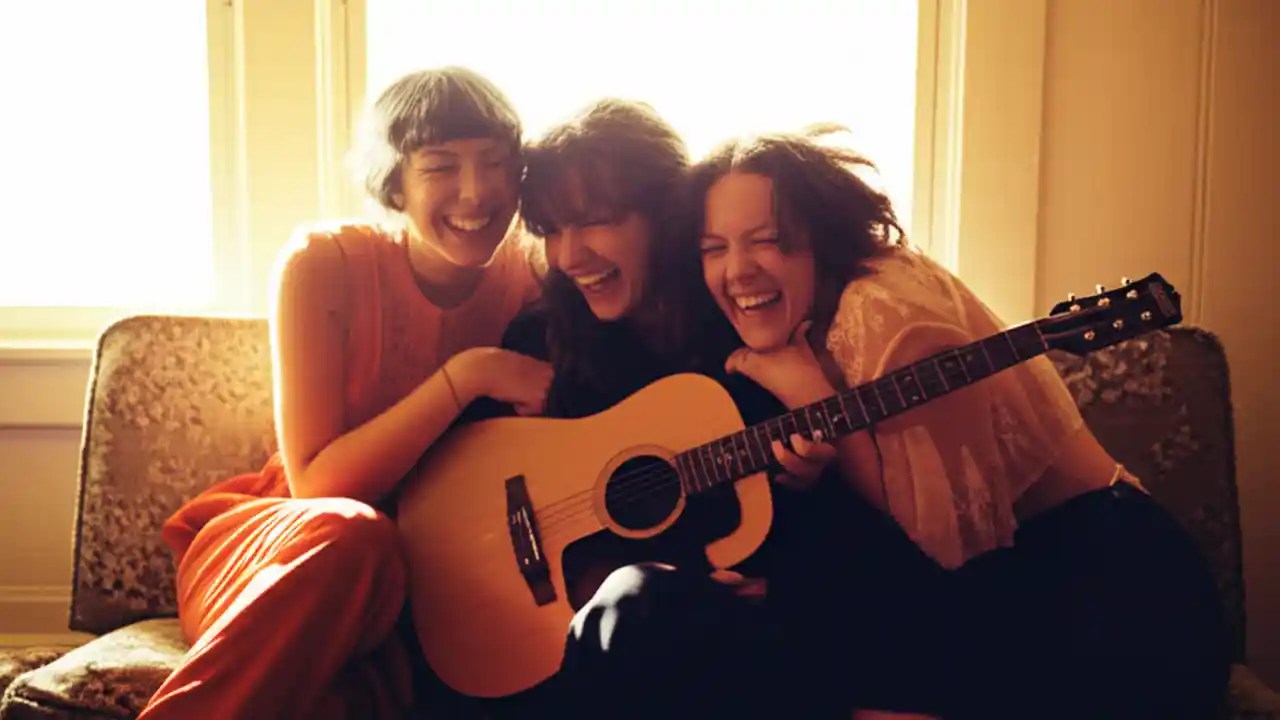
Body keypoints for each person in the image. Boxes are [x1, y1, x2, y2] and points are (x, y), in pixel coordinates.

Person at [683, 127, 1231, 719]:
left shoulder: (881, 307)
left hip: (1113, 591)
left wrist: (807, 393)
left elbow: (938, 548)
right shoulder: (799, 323)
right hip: (1014, 591)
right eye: (714, 248)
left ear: (820, 238)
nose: (737, 271)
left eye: (766, 241)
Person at [138, 66, 551, 719]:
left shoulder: (531, 277)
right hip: (287, 553)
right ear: (394, 181)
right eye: (440, 167)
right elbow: (317, 486)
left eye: (494, 163)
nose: (474, 192)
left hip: (421, 583)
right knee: (356, 536)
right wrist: (468, 376)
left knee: (356, 699)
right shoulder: (322, 262)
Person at [440, 98, 837, 720]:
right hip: (565, 643)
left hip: (705, 644)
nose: (569, 256)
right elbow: (451, 508)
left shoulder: (739, 333)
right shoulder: (543, 341)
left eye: (595, 221)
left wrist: (806, 486)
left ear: (664, 215)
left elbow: (794, 540)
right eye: (549, 229)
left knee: (643, 605)